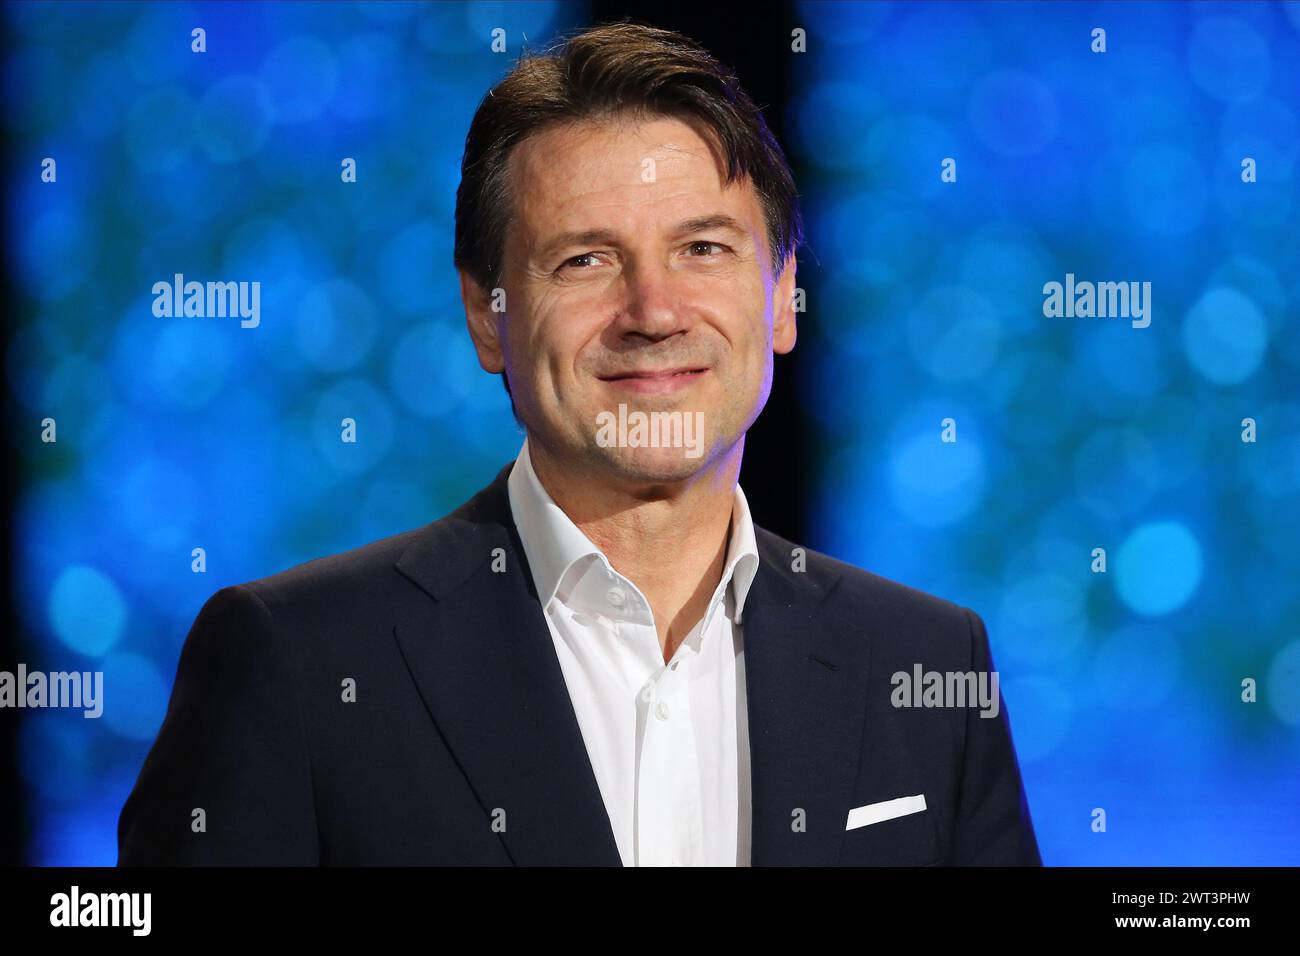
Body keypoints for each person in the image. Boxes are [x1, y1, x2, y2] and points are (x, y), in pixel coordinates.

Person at [118, 21, 1040, 867]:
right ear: (488, 313)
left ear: (784, 294)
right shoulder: (299, 662)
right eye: (584, 260)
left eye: (704, 249)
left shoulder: (928, 662)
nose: (654, 312)